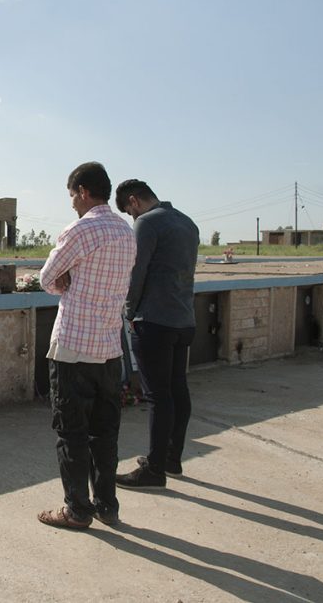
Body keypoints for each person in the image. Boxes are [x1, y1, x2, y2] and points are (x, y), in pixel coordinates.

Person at [36, 162, 136, 530]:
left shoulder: (80, 230)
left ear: (82, 191)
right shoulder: (126, 232)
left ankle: (78, 509)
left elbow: (47, 279)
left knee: (71, 433)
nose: (72, 204)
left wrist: (67, 279)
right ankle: (107, 505)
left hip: (74, 347)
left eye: (72, 196)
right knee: (105, 433)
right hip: (110, 347)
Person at [113, 179, 199, 489]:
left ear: (133, 201)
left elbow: (137, 275)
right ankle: (171, 458)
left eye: (128, 212)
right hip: (183, 320)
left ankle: (154, 470)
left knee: (157, 396)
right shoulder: (188, 223)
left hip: (154, 321)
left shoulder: (147, 224)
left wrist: (129, 312)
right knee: (177, 389)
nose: (131, 218)